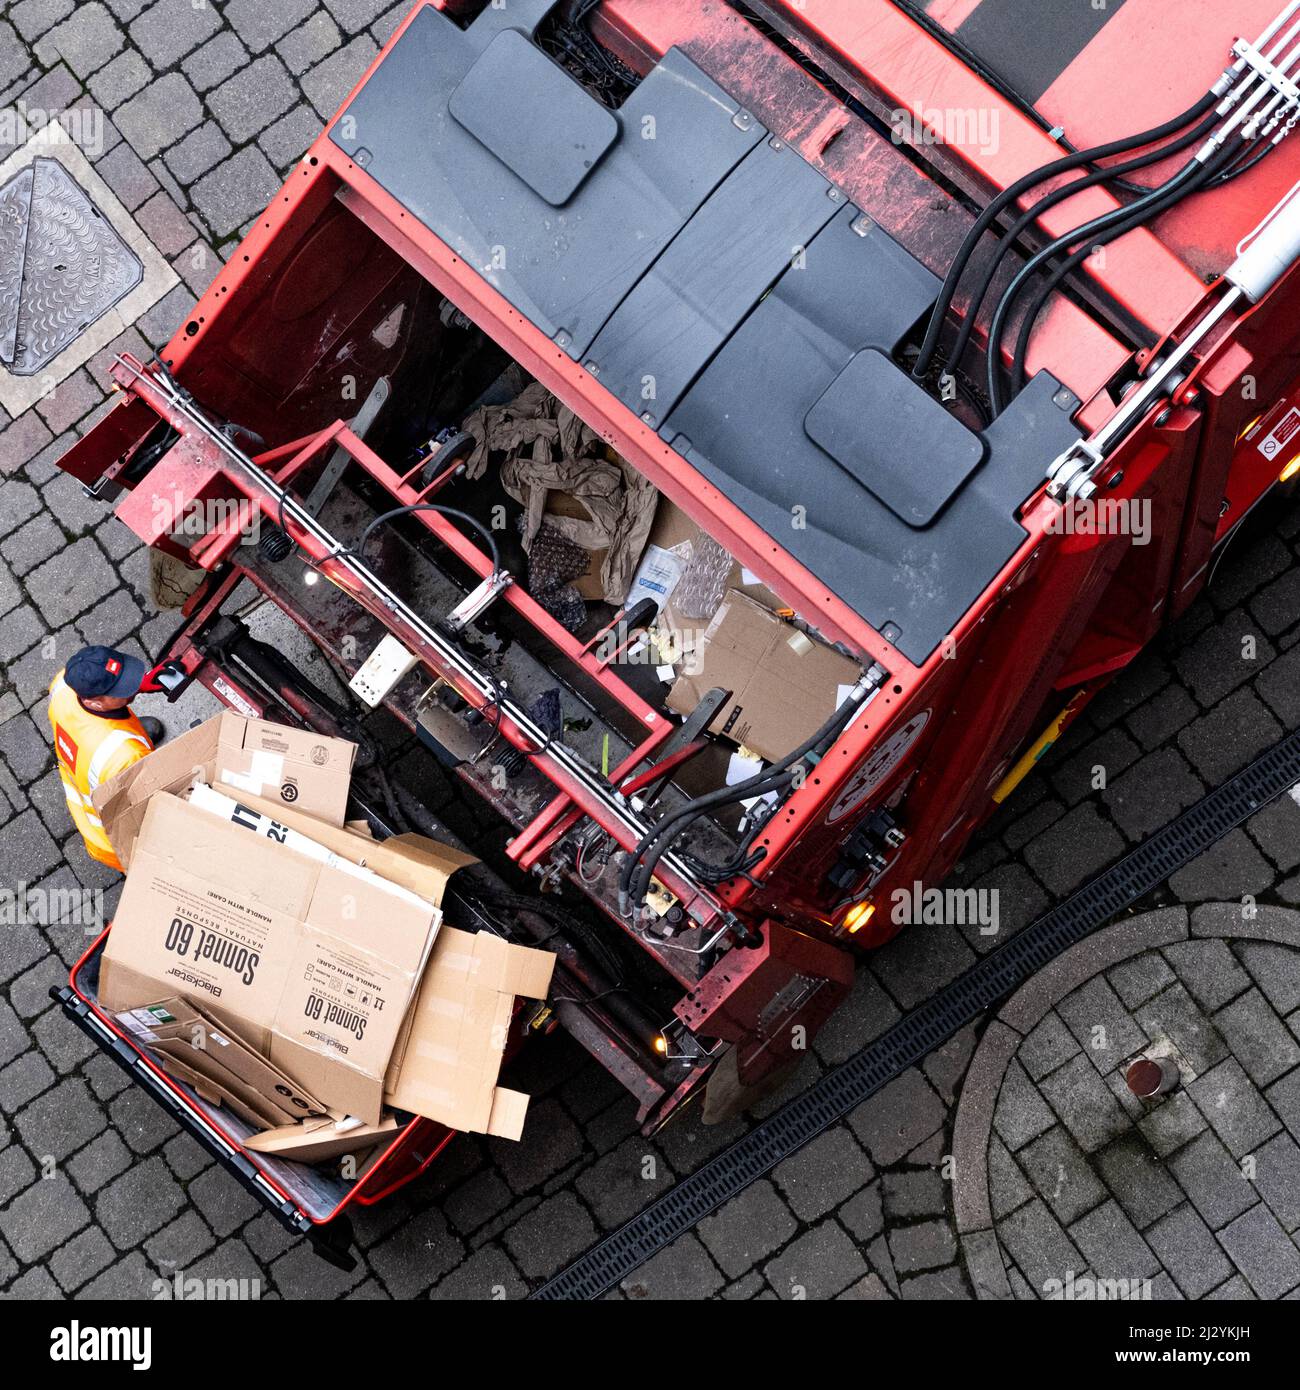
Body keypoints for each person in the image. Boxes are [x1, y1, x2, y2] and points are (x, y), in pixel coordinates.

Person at [47, 646, 166, 872]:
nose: (132, 684)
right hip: (111, 840)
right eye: (121, 690)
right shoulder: (125, 756)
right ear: (96, 703)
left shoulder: (64, 682)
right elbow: (152, 801)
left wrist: (139, 686)